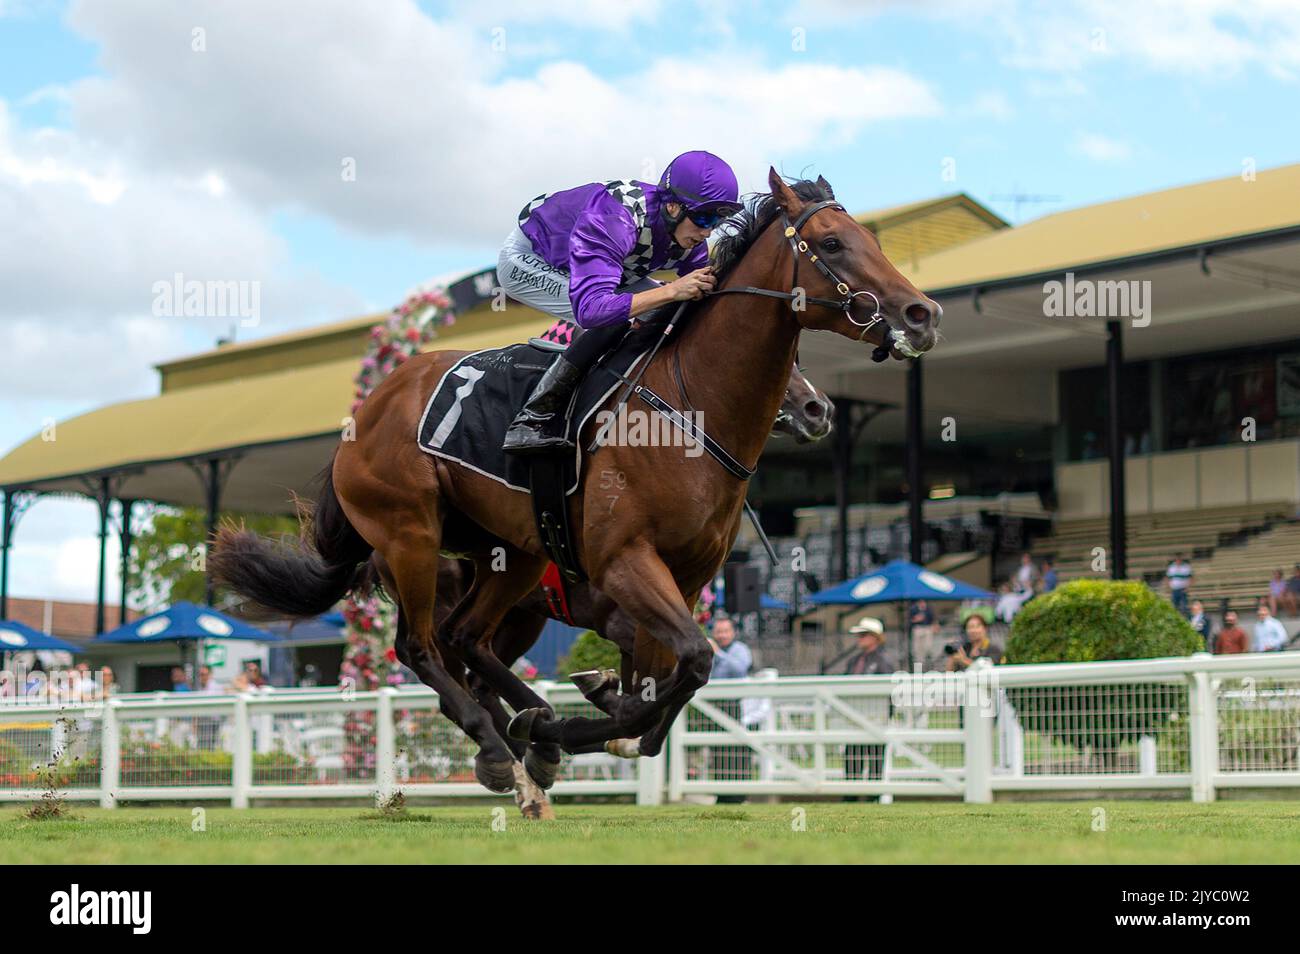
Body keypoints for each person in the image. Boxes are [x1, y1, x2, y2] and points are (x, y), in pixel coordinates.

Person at [498, 151, 743, 454]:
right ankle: (532, 417)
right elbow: (593, 310)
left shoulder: (688, 234)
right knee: (619, 316)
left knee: (679, 308)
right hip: (530, 260)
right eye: (704, 217)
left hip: (605, 269)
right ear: (672, 206)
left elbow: (704, 300)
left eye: (718, 220)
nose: (708, 231)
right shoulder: (615, 218)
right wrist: (670, 290)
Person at [842, 616, 890, 800]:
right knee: (852, 759)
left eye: (863, 635)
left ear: (875, 637)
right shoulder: (854, 661)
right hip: (855, 718)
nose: (859, 639)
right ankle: (851, 796)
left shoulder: (883, 660)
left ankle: (872, 797)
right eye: (859, 635)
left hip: (875, 718)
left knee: (875, 759)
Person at [706, 615, 752, 800]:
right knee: (717, 750)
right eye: (719, 631)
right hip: (713, 706)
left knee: (736, 748)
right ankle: (722, 794)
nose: (722, 635)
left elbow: (740, 670)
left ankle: (739, 794)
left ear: (733, 633)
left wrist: (718, 652)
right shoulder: (709, 651)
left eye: (725, 631)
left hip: (733, 705)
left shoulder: (740, 649)